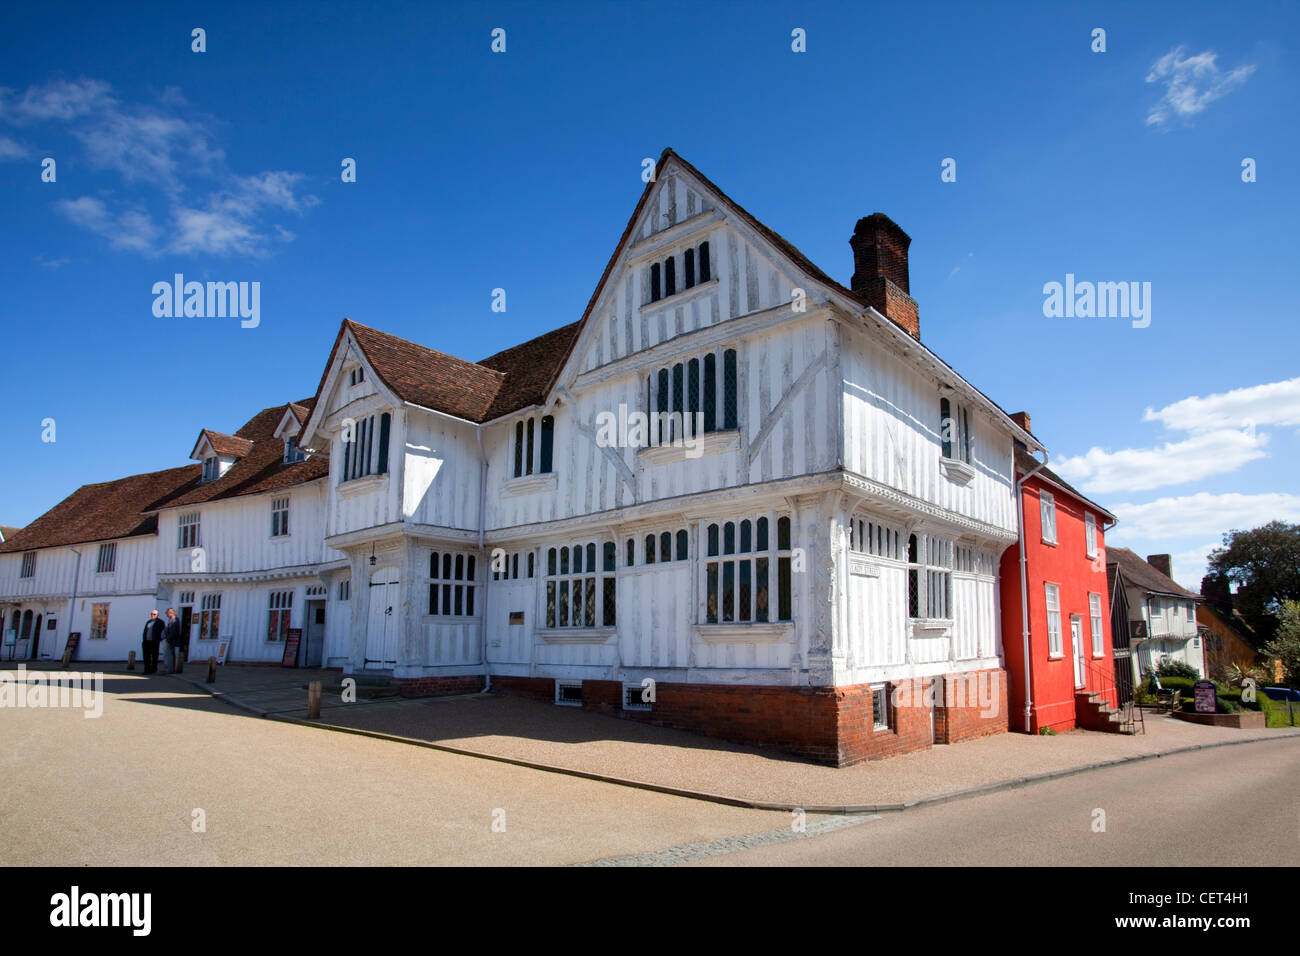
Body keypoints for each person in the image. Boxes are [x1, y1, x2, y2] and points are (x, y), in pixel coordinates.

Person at [141, 610, 164, 674]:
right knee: (146, 656)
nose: (152, 615)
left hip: (154, 642)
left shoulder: (160, 622)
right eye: (152, 614)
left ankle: (153, 669)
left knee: (154, 656)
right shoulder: (149, 621)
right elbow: (145, 630)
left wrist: (159, 639)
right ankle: (147, 670)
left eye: (154, 614)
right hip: (146, 641)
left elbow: (162, 632)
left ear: (157, 615)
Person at [162, 608, 182, 674]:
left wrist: (168, 639)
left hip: (171, 641)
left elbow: (173, 632)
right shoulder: (171, 620)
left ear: (171, 613)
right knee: (166, 655)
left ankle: (169, 669)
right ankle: (167, 668)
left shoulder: (175, 620)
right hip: (168, 640)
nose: (166, 614)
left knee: (169, 655)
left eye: (167, 613)